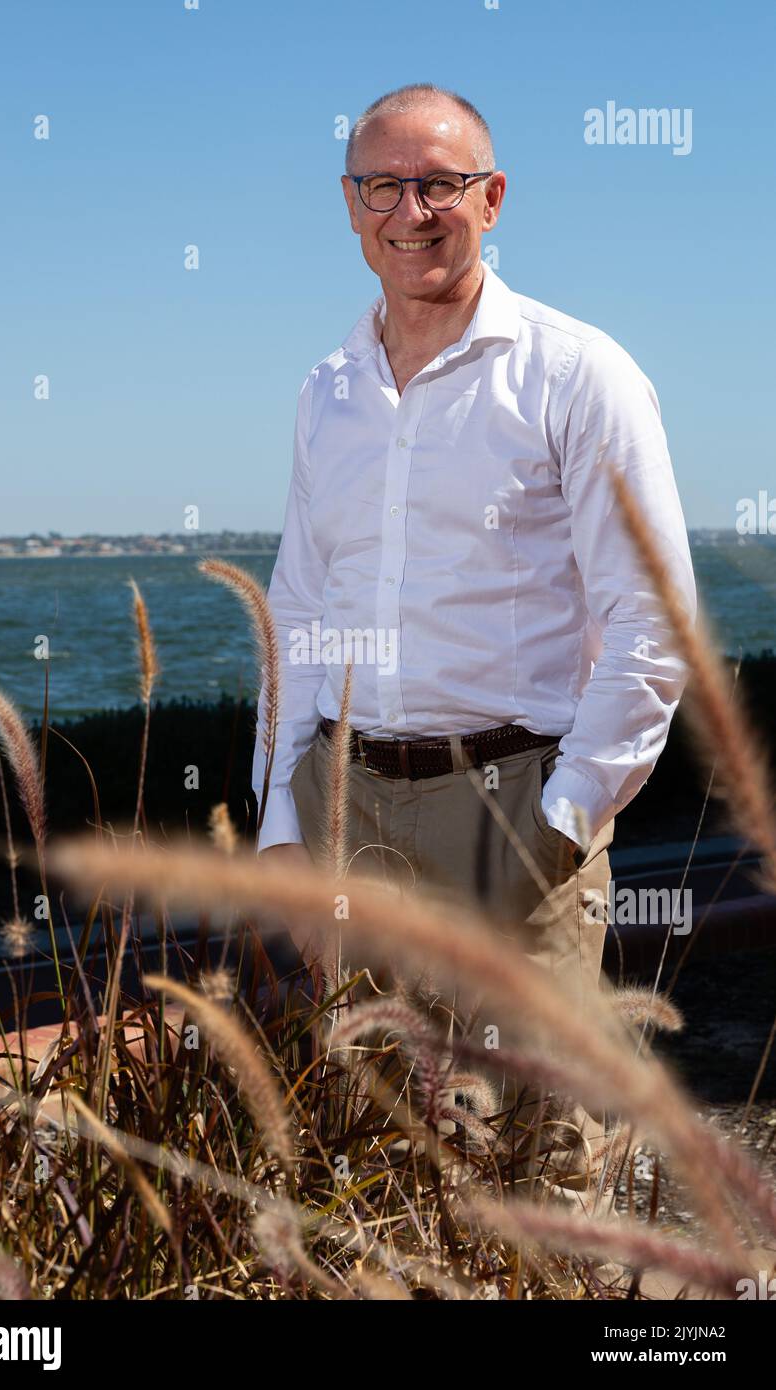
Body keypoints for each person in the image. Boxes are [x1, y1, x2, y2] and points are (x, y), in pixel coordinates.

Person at [251, 83, 696, 1201]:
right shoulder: (325, 393)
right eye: (383, 186)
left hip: (514, 806)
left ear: (490, 199)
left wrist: (562, 819)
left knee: (539, 1174)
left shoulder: (575, 372)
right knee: (367, 1164)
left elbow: (651, 618)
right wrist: (279, 829)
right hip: (348, 811)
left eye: (440, 183)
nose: (412, 209)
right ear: (349, 207)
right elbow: (300, 612)